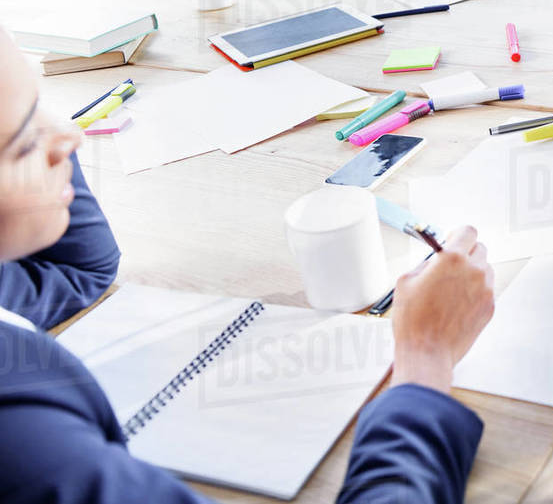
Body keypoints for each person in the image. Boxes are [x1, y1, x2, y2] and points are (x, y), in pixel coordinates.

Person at [0, 27, 495, 504]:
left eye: (43, 100)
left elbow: (79, 273)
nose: (73, 135)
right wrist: (426, 360)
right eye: (23, 140)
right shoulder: (24, 438)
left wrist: (17, 104)